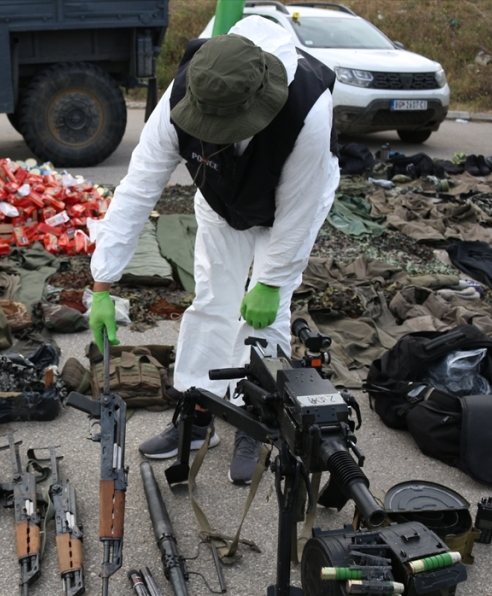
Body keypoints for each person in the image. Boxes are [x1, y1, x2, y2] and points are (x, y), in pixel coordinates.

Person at [88, 16, 340, 484]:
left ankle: (255, 418)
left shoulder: (308, 108)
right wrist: (102, 283)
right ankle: (197, 412)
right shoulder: (185, 91)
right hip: (221, 200)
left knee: (265, 316)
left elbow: (299, 211)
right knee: (211, 301)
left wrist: (269, 281)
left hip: (285, 207)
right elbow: (139, 186)